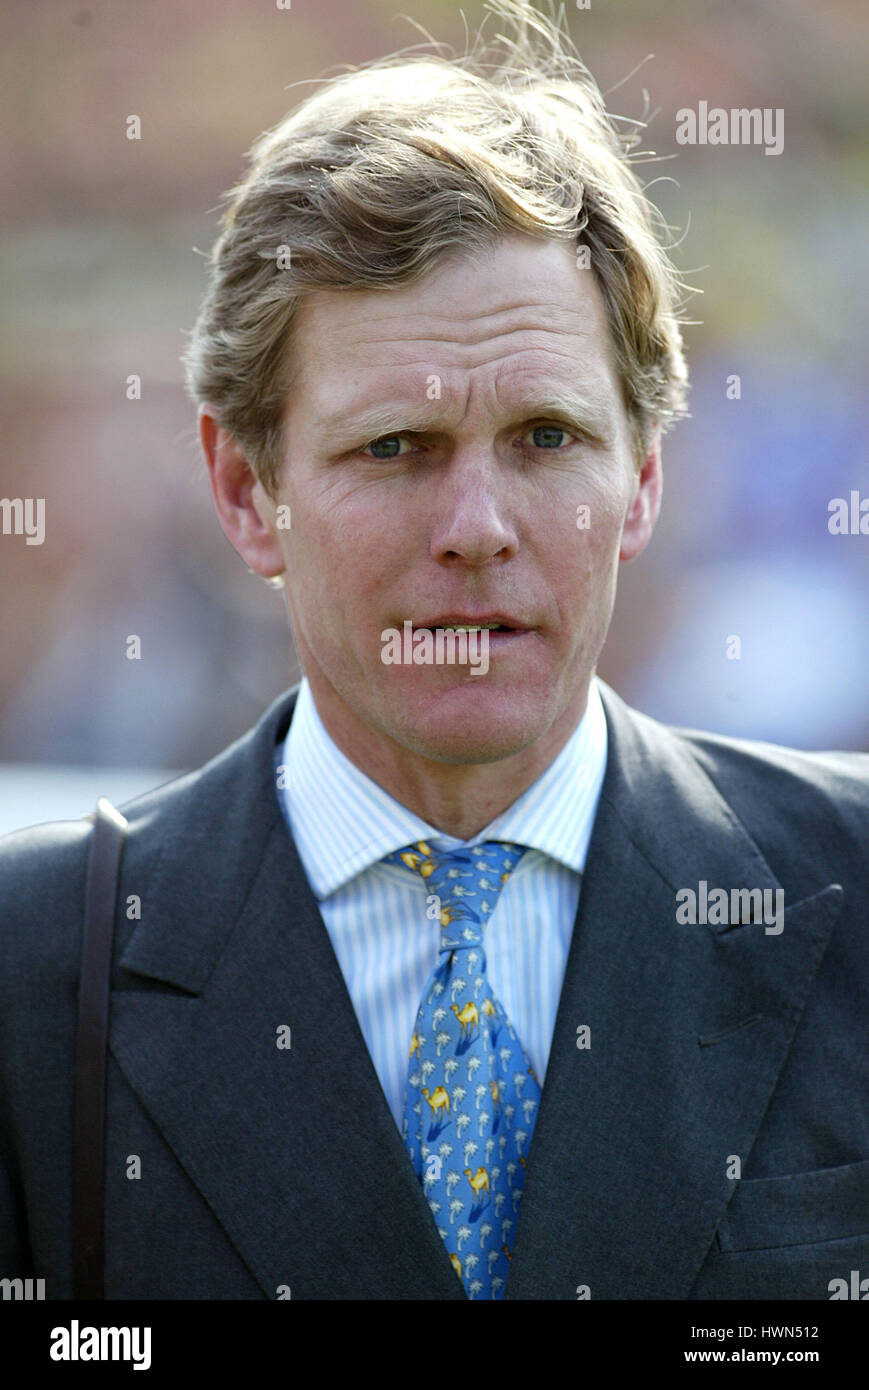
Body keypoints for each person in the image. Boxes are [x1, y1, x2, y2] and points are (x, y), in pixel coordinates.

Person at [1, 0, 867, 1302]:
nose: (475, 530)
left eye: (545, 438)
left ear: (642, 481)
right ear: (246, 490)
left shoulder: (846, 901)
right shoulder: (35, 969)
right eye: (393, 447)